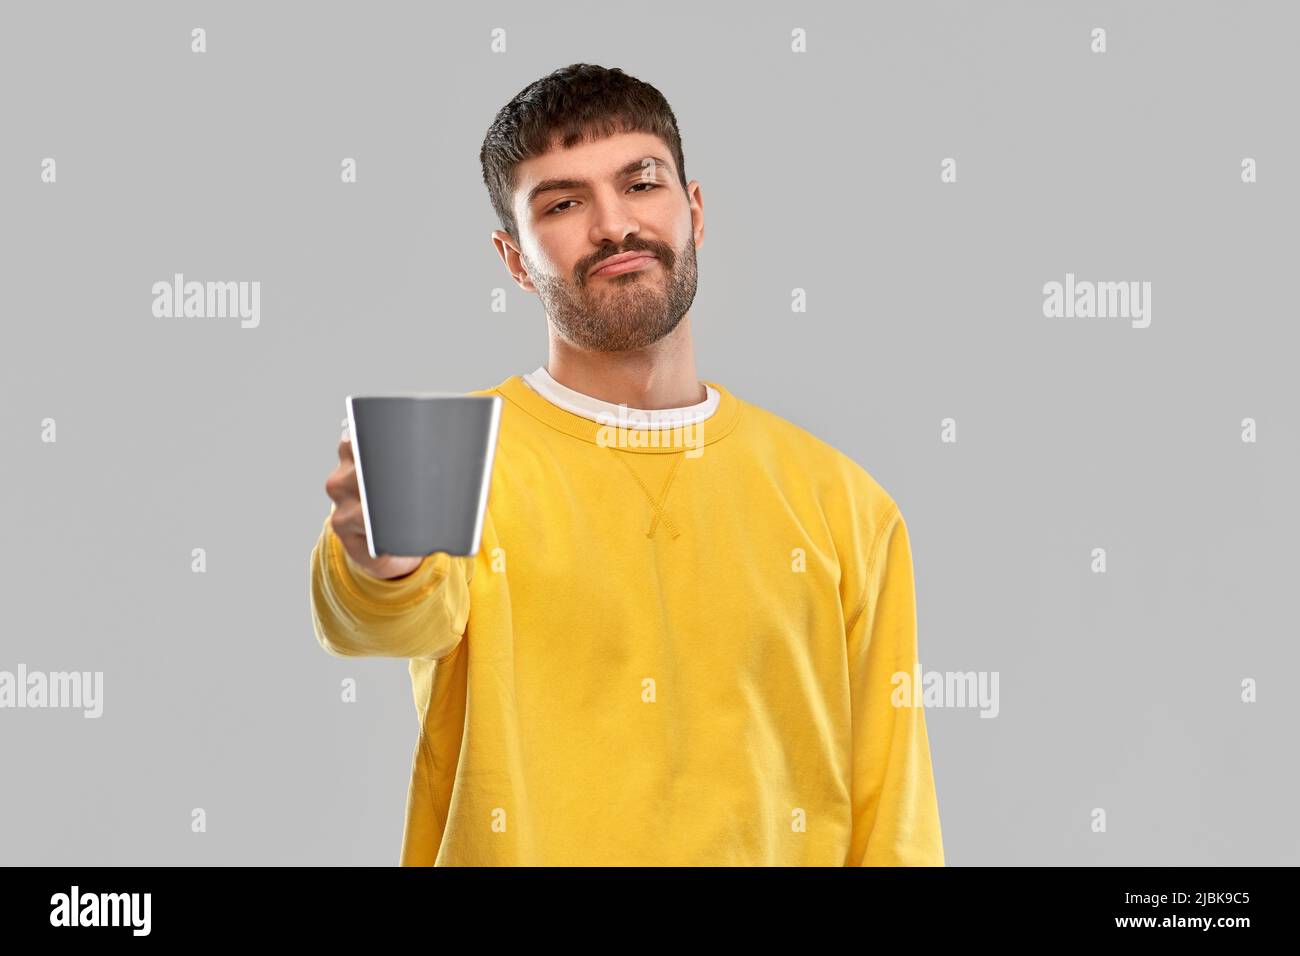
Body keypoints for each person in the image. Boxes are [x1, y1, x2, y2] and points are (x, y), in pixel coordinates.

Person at [309, 63, 944, 866]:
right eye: (564, 203)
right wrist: (378, 560)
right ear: (513, 258)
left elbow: (896, 814)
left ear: (696, 212)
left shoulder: (844, 503)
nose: (613, 225)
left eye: (641, 183)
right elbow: (378, 615)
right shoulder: (459, 461)